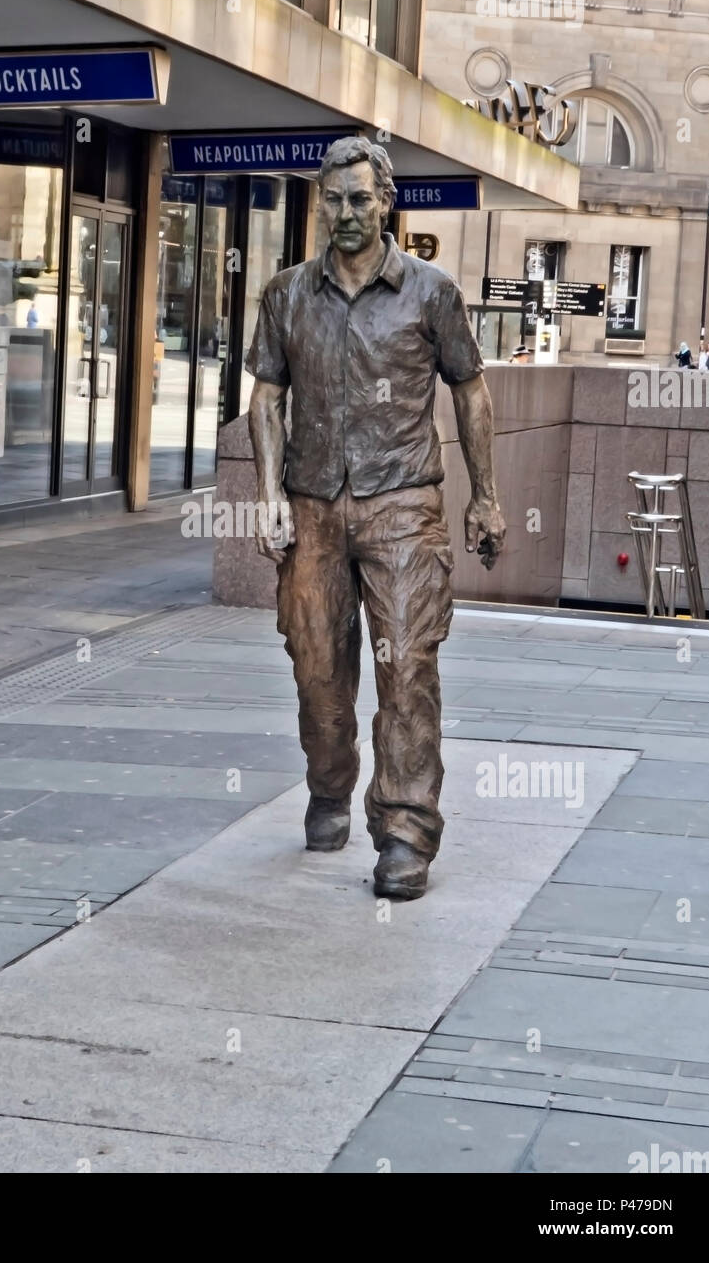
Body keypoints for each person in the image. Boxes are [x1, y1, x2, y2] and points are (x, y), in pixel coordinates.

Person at [246, 136, 505, 901]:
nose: (347, 213)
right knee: (316, 672)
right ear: (319, 202)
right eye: (334, 199)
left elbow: (470, 389)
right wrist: (268, 497)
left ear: (385, 201)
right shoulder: (286, 294)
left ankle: (403, 832)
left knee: (408, 670)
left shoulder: (430, 292)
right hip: (314, 510)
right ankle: (329, 786)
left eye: (360, 198)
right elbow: (265, 398)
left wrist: (485, 494)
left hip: (402, 508)